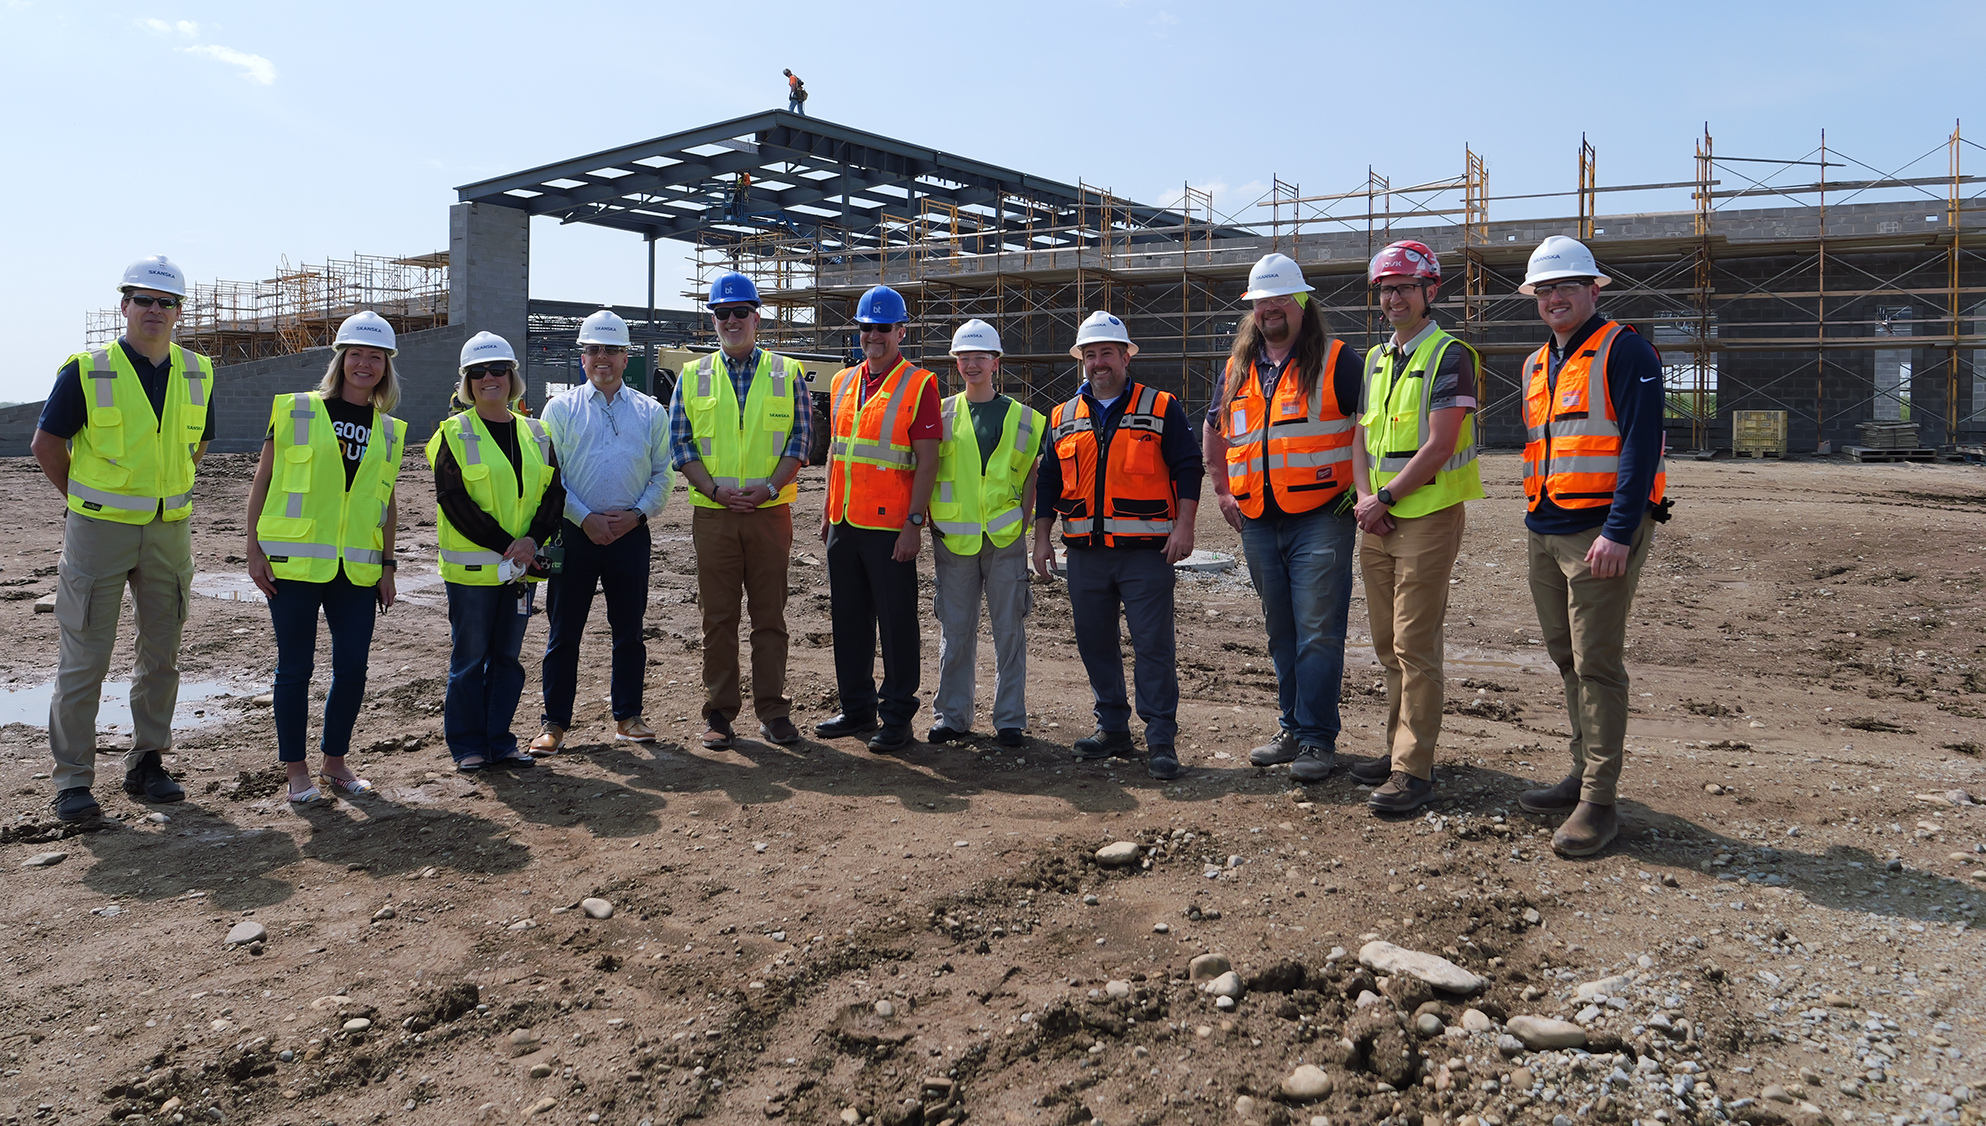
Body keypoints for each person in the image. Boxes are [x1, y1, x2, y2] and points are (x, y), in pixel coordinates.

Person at [31, 256, 213, 822]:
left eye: (166, 302)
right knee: (84, 657)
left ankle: (147, 763)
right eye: (144, 300)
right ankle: (73, 781)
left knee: (162, 655)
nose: (155, 311)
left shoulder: (199, 372)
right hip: (98, 532)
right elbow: (47, 445)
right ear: (124, 305)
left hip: (168, 532)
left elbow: (196, 447)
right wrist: (88, 502)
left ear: (180, 312)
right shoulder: (88, 370)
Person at [1513, 236, 1670, 856]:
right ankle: (1582, 770)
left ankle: (1599, 802)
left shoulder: (1625, 350)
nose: (1555, 297)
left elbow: (1640, 445)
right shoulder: (1536, 363)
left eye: (1566, 287)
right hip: (1545, 528)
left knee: (1597, 662)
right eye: (1545, 289)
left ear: (1593, 289)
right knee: (1566, 656)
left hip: (1602, 532)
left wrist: (1617, 532)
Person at [1204, 254, 1360, 785]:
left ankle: (1317, 738)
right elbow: (1215, 429)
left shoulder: (1337, 359)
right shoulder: (1238, 367)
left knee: (1317, 630)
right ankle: (1292, 726)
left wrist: (1363, 492)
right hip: (1259, 520)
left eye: (1278, 300)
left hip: (1322, 515)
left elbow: (1370, 426)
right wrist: (1222, 489)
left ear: (1301, 303)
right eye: (1259, 303)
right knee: (1281, 630)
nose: (1269, 310)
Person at [1345, 240, 1485, 815]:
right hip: (1375, 517)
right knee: (1386, 644)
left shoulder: (1451, 355)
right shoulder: (1377, 360)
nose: (1393, 297)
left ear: (1431, 291)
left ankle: (1413, 769)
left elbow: (1441, 444)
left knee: (1414, 644)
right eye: (1385, 288)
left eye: (1404, 287)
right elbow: (1360, 435)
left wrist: (1383, 498)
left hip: (1424, 515)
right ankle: (1396, 746)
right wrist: (1362, 498)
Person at [1032, 311, 1202, 781]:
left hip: (1146, 553)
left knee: (1152, 645)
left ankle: (1161, 738)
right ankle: (1112, 728)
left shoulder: (1161, 406)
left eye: (1107, 352)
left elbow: (1189, 467)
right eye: (1090, 354)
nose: (1098, 362)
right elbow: (1048, 481)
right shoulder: (1062, 416)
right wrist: (1042, 537)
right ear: (1082, 361)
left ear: (1126, 356)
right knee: (1095, 643)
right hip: (1084, 553)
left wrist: (1184, 527)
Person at [245, 312, 405, 801]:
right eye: (355, 354)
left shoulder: (389, 430)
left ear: (385, 368)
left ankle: (335, 763)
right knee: (295, 668)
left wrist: (388, 564)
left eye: (374, 357)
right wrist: (253, 550)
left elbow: (387, 501)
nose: (364, 364)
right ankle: (297, 772)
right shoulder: (297, 410)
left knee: (352, 668)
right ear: (340, 360)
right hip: (293, 565)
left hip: (356, 569)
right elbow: (263, 479)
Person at [669, 273, 813, 750]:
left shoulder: (786, 373)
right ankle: (720, 714)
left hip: (771, 514)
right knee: (719, 617)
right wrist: (712, 490)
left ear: (757, 317)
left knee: (769, 616)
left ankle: (773, 712)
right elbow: (681, 442)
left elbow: (801, 440)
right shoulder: (693, 376)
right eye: (722, 313)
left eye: (740, 312)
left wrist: (771, 487)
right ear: (713, 320)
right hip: (714, 515)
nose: (731, 321)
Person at [531, 309, 672, 756]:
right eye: (593, 350)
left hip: (630, 533)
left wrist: (636, 516)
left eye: (611, 350)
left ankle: (628, 716)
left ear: (626, 355)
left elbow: (663, 475)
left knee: (628, 630)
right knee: (563, 631)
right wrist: (584, 518)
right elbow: (550, 477)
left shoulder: (650, 412)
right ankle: (554, 723)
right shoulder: (560, 409)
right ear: (582, 356)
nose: (602, 358)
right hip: (573, 534)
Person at [426, 332, 566, 772]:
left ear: (512, 377)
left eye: (499, 370)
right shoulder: (453, 432)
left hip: (519, 572)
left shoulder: (537, 433)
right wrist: (510, 545)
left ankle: (499, 741)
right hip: (473, 573)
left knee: (507, 659)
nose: (490, 379)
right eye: (479, 372)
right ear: (466, 382)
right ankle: (467, 745)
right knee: (469, 661)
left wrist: (530, 544)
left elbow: (554, 494)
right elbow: (454, 500)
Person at [816, 285, 940, 753]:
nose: (873, 336)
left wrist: (914, 523)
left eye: (882, 328)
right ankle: (856, 708)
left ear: (900, 331)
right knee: (848, 620)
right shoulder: (842, 382)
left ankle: (896, 717)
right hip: (845, 523)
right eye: (866, 328)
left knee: (896, 623)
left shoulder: (920, 384)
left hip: (891, 529)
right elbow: (835, 452)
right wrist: (830, 510)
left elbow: (928, 461)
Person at [927, 319, 1043, 748]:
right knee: (955, 632)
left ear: (996, 362)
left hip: (1004, 540)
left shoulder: (1025, 419)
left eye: (980, 357)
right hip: (954, 540)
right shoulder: (939, 413)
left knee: (1009, 632)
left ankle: (1009, 719)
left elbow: (1032, 475)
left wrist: (1024, 521)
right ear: (956, 363)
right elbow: (926, 470)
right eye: (964, 357)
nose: (971, 364)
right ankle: (952, 716)